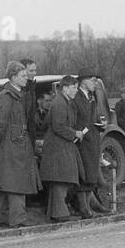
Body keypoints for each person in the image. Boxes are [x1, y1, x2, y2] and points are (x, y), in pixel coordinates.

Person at [0, 62, 42, 224]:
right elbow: (0, 122)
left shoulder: (18, 94)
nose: (27, 78)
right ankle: (17, 219)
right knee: (16, 181)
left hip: (16, 143)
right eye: (23, 76)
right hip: (11, 144)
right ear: (13, 78)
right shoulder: (7, 96)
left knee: (5, 181)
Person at [40, 76, 85, 222]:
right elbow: (58, 126)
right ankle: (60, 213)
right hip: (57, 147)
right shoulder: (60, 103)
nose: (76, 90)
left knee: (62, 178)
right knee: (61, 179)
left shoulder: (63, 102)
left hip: (60, 145)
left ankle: (57, 212)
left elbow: (49, 122)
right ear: (65, 88)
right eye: (74, 87)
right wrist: (74, 133)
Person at [74, 72, 109, 215]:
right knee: (84, 176)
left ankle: (88, 207)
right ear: (83, 82)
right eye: (93, 80)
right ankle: (84, 208)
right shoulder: (76, 97)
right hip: (82, 141)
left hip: (93, 140)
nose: (95, 83)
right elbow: (77, 120)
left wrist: (101, 124)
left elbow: (93, 117)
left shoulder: (91, 98)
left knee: (91, 176)